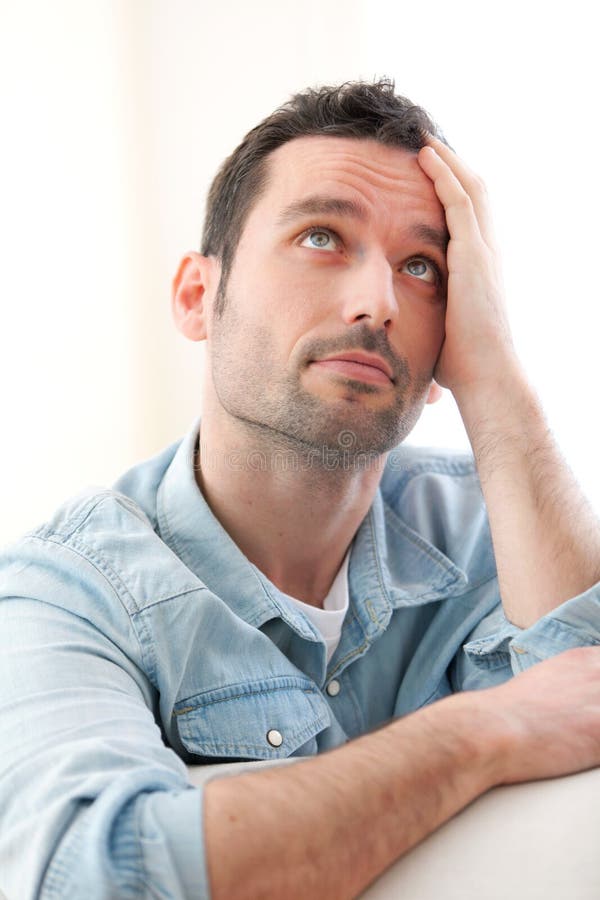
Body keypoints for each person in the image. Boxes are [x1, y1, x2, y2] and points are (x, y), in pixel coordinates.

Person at [1, 79, 599, 900]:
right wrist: (482, 731)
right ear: (197, 297)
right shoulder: (65, 592)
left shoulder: (492, 531)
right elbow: (91, 878)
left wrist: (495, 381)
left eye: (422, 267)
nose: (377, 303)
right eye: (322, 236)